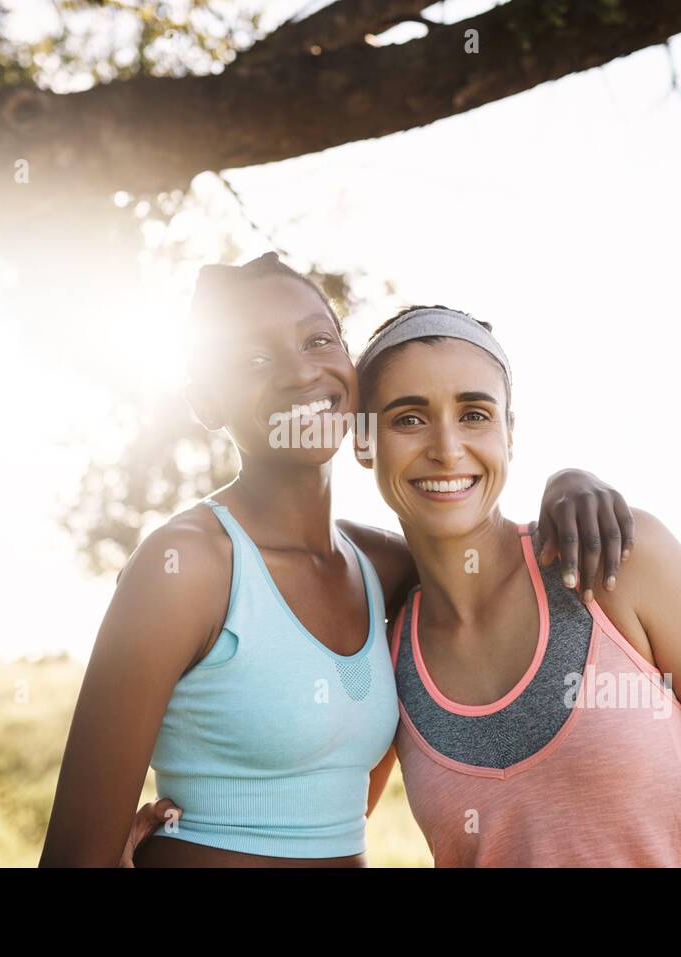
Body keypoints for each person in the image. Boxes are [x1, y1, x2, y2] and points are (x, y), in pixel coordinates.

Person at [38, 255, 633, 867]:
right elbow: (74, 856)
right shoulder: (186, 567)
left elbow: (495, 557)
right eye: (254, 359)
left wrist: (570, 481)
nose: (301, 372)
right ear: (207, 403)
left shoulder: (385, 568)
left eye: (318, 339)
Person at [355, 306, 681, 866]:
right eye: (409, 419)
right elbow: (324, 834)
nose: (447, 448)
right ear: (363, 441)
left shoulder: (622, 562)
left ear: (509, 433)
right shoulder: (384, 663)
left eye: (474, 414)